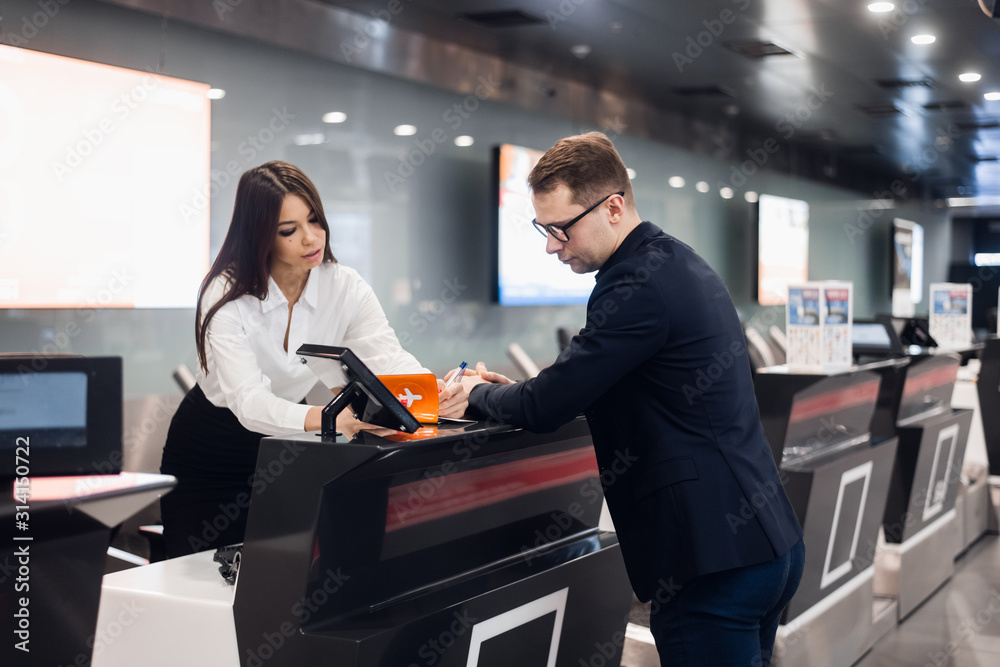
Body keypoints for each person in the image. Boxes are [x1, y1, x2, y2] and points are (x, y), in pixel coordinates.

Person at [458, 133, 804, 666]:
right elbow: (595, 383)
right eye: (542, 229)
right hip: (762, 543)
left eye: (560, 228)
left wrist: (472, 396)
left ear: (613, 206)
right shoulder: (674, 262)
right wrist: (518, 392)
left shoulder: (635, 286)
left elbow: (546, 406)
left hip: (712, 561)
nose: (552, 245)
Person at [160, 161, 467, 558]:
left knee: (279, 573)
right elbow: (249, 403)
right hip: (212, 447)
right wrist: (326, 419)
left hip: (288, 441)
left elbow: (388, 357)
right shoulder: (225, 295)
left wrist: (435, 393)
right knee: (197, 580)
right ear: (260, 237)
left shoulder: (344, 285)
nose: (310, 238)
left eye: (315, 220)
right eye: (289, 230)